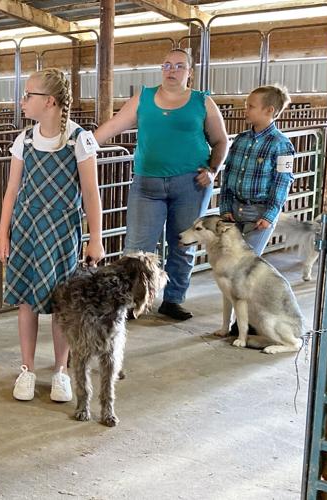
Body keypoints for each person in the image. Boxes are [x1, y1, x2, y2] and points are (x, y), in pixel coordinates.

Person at [93, 48, 229, 321]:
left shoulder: (202, 102)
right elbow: (112, 127)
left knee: (183, 244)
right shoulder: (143, 98)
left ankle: (174, 299)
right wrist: (83, 146)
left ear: (189, 72)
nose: (172, 70)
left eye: (179, 66)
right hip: (147, 185)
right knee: (137, 247)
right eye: (166, 65)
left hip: (190, 183)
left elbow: (221, 140)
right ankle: (131, 301)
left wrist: (213, 169)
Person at [0, 68, 104, 403]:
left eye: (29, 95)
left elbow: (90, 192)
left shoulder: (78, 138)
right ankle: (27, 369)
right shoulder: (24, 140)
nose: (23, 101)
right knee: (27, 301)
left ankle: (60, 371)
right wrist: (3, 235)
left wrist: (95, 238)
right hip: (27, 230)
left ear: (51, 102)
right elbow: (12, 190)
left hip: (61, 231)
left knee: (61, 304)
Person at [219, 85, 296, 255]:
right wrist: (225, 206)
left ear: (269, 110)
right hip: (234, 210)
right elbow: (228, 175)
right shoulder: (240, 140)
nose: (246, 110)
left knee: (245, 264)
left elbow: (282, 182)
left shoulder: (281, 144)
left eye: (251, 106)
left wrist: (270, 215)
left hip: (259, 214)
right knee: (230, 262)